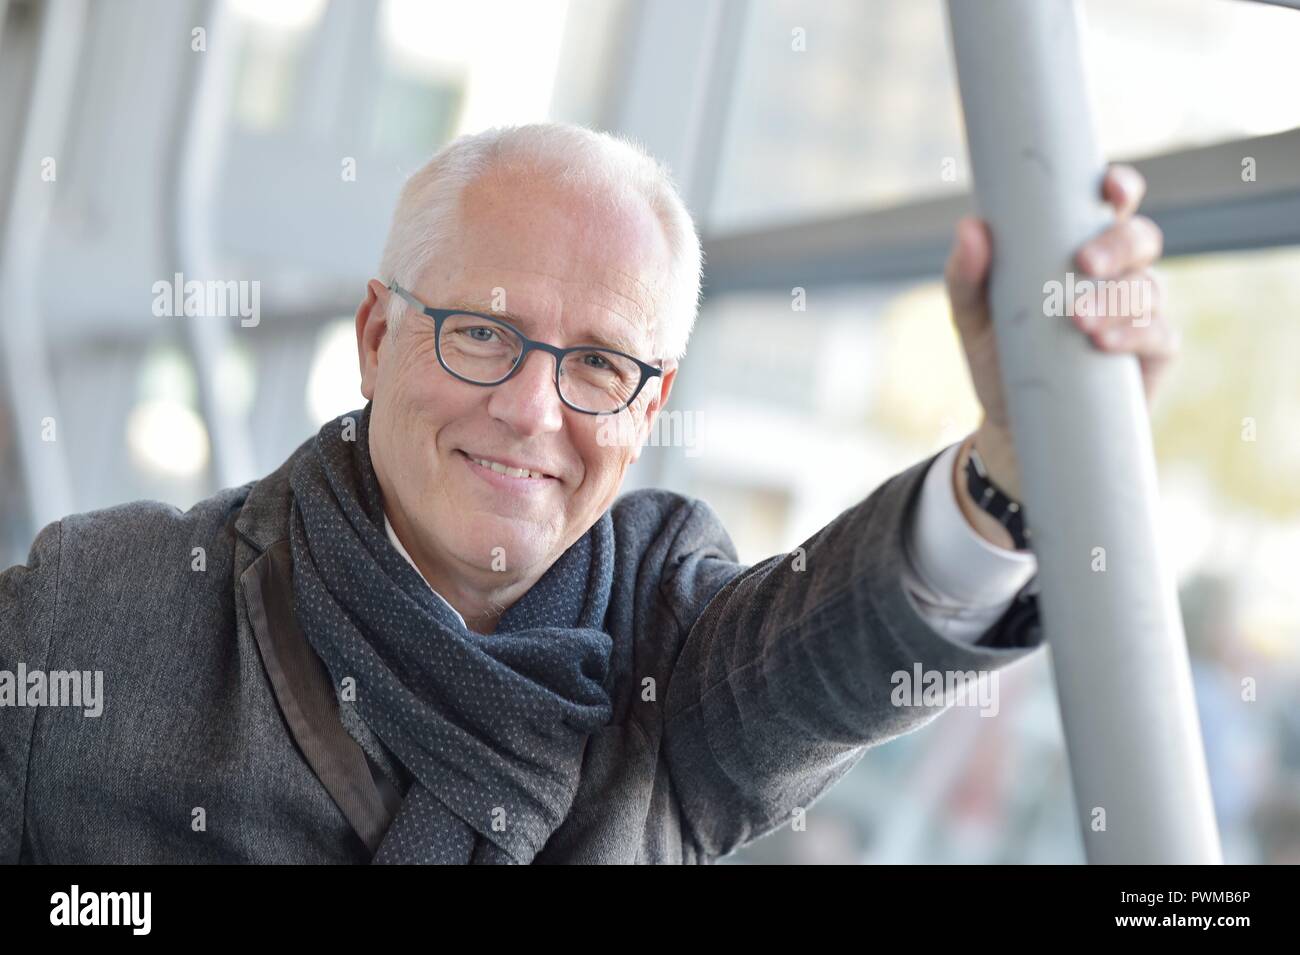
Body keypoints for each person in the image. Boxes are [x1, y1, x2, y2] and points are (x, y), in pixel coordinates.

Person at [0, 122, 1176, 864]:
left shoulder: (678, 653)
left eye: (600, 365)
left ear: (647, 411)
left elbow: (833, 653)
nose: (532, 409)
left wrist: (1010, 472)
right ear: (372, 337)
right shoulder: (92, 609)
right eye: (480, 333)